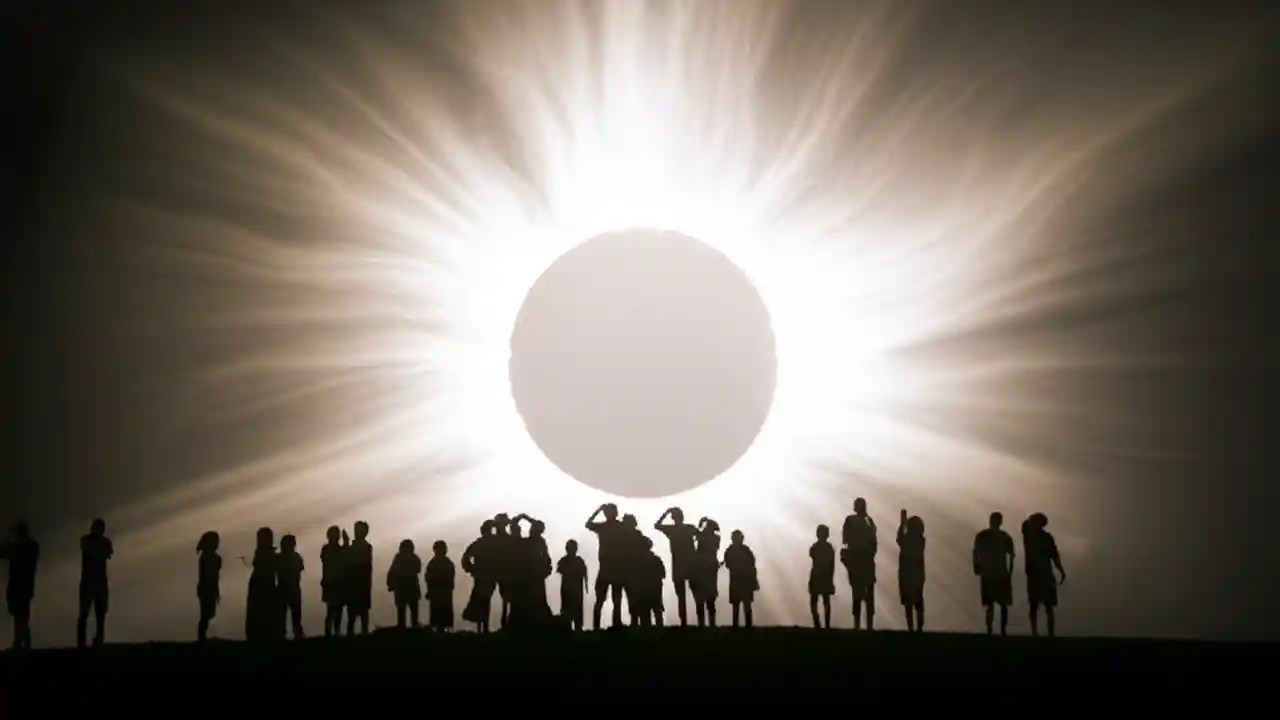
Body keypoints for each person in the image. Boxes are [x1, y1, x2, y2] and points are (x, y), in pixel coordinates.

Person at [1022, 513, 1066, 637]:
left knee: (1045, 605)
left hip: (1042, 573)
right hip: (1037, 573)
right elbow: (1054, 555)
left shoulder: (1038, 537)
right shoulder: (1030, 535)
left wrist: (1061, 570)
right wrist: (1061, 570)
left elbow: (1054, 555)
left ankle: (1046, 633)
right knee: (1037, 605)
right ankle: (1037, 633)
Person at [585, 503, 627, 630]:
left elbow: (588, 524)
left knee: (607, 598)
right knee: (611, 598)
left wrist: (598, 510)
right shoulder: (616, 527)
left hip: (610, 566)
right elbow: (588, 524)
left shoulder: (604, 527)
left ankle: (605, 625)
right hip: (610, 566)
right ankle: (613, 624)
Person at [654, 507, 698, 626]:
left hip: (681, 565)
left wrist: (666, 512)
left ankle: (685, 622)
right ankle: (697, 622)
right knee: (694, 594)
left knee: (683, 596)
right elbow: (700, 536)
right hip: (688, 564)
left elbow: (657, 525)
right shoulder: (688, 528)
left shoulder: (672, 529)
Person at [973, 512, 1015, 636]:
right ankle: (997, 630)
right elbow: (1011, 556)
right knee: (998, 605)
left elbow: (975, 553)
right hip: (996, 574)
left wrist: (976, 566)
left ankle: (994, 630)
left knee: (995, 605)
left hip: (994, 574)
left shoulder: (983, 536)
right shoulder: (1003, 536)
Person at [1, 521, 39, 650]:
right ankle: (23, 643)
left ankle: (20, 643)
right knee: (22, 616)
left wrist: (7, 539)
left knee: (20, 616)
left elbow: (2, 552)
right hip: (24, 586)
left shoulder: (19, 547)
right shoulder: (32, 546)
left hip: (19, 586)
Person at [841, 498, 877, 630]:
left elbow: (873, 540)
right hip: (858, 559)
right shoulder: (852, 521)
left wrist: (845, 553)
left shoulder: (867, 521)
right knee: (859, 594)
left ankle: (866, 625)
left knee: (865, 594)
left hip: (864, 559)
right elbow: (845, 539)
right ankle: (860, 624)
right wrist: (845, 553)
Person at [77, 518, 113, 649]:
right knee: (85, 614)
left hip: (96, 583)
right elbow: (104, 552)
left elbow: (105, 552)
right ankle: (83, 643)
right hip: (90, 583)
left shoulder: (99, 542)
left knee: (99, 615)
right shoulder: (87, 540)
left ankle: (98, 641)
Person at [245, 527, 281, 642]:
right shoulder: (263, 554)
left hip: (266, 584)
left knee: (266, 611)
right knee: (259, 611)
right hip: (260, 584)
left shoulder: (267, 553)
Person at [461, 520, 497, 632]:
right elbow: (465, 558)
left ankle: (482, 628)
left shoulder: (480, 544)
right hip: (484, 577)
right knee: (483, 602)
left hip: (485, 577)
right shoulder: (489, 544)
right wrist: (471, 569)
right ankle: (483, 627)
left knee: (482, 601)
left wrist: (471, 569)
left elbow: (465, 558)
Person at [897, 510, 926, 633]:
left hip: (906, 574)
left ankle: (912, 628)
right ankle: (918, 627)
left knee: (909, 603)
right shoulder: (920, 540)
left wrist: (902, 523)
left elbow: (899, 538)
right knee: (917, 602)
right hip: (917, 574)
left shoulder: (909, 540)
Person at [723, 530, 758, 628]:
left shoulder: (730, 550)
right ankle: (747, 625)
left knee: (737, 605)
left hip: (737, 579)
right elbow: (752, 564)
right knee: (744, 604)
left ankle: (737, 625)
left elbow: (727, 563)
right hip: (743, 580)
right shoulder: (746, 550)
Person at [690, 517, 721, 627]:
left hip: (701, 569)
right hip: (710, 568)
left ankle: (702, 623)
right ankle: (711, 623)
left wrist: (702, 522)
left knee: (701, 598)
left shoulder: (703, 536)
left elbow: (697, 532)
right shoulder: (716, 538)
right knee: (710, 599)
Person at [320, 525, 349, 637]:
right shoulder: (326, 549)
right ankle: (329, 632)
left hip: (337, 583)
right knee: (332, 610)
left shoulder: (331, 549)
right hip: (331, 583)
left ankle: (335, 631)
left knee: (338, 609)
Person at [387, 539, 423, 629]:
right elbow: (392, 571)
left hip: (406, 587)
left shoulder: (403, 558)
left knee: (408, 609)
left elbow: (392, 571)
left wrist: (391, 583)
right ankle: (407, 625)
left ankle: (408, 625)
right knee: (404, 609)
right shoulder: (411, 558)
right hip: (405, 587)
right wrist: (391, 583)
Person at [347, 521, 373, 635]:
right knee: (352, 612)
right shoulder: (353, 547)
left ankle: (363, 632)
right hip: (354, 582)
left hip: (362, 582)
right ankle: (352, 633)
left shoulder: (366, 547)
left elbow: (363, 563)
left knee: (363, 612)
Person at [556, 539, 588, 631]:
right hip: (570, 589)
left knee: (574, 611)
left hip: (574, 590)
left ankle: (574, 629)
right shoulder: (571, 561)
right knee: (569, 610)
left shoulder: (574, 561)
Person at [278, 534, 305, 639]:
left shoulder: (280, 558)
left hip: (287, 589)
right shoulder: (296, 557)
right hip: (291, 589)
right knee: (293, 616)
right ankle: (295, 634)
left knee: (288, 616)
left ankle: (288, 634)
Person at [808, 524, 835, 629]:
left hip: (819, 574)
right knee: (823, 600)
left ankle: (819, 622)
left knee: (818, 600)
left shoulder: (816, 547)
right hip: (823, 575)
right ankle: (822, 623)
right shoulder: (828, 548)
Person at [196, 531, 221, 642]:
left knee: (208, 613)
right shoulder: (206, 558)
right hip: (206, 588)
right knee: (205, 614)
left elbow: (215, 577)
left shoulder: (214, 558)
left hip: (209, 588)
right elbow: (204, 575)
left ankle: (202, 636)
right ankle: (202, 637)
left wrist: (216, 591)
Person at [426, 540, 456, 633]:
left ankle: (439, 628)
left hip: (437, 590)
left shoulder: (433, 563)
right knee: (442, 610)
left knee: (438, 609)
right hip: (443, 590)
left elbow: (428, 577)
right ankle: (442, 628)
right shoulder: (448, 563)